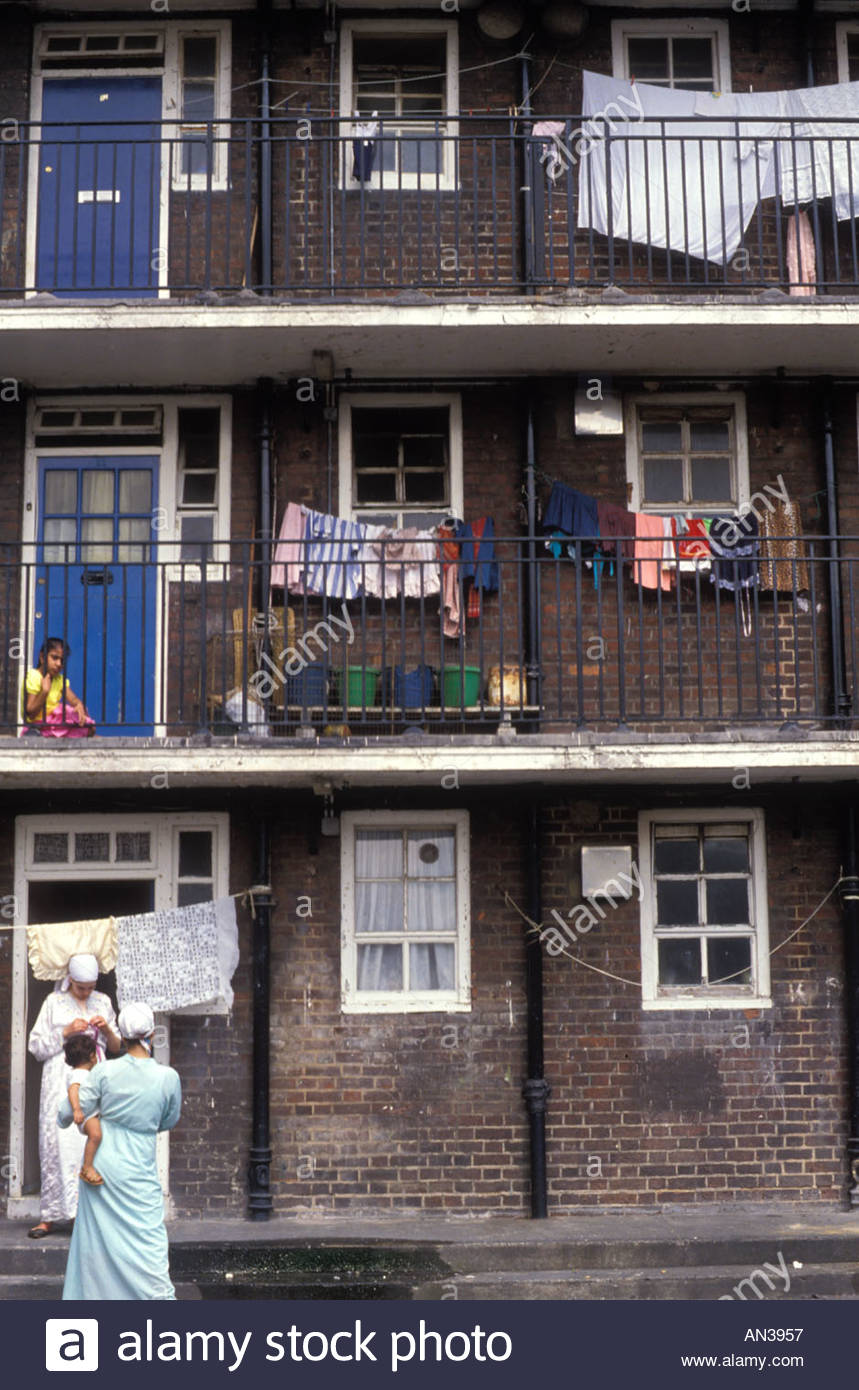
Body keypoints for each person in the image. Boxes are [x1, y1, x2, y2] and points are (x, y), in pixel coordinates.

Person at [58, 1002, 182, 1301]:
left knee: (96, 1243)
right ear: (151, 1034)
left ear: (122, 1038)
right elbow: (169, 1119)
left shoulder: (103, 1072)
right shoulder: (168, 1077)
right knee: (146, 1237)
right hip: (139, 1161)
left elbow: (64, 1115)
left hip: (102, 1165)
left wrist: (84, 1109)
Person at [27, 953, 121, 1238]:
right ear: (70, 980)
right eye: (81, 987)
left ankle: (90, 1216)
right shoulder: (53, 1003)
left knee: (93, 1140)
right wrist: (65, 1033)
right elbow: (35, 1047)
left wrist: (105, 1028)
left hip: (94, 1076)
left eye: (91, 986)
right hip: (60, 1079)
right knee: (58, 1141)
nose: (87, 992)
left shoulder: (103, 1002)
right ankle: (51, 1216)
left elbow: (116, 1046)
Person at [23, 637, 95, 737]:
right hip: (38, 723)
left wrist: (78, 705)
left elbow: (73, 699)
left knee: (89, 727)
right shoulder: (34, 676)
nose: (59, 664)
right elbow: (30, 713)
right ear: (42, 657)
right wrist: (44, 692)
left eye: (62, 660)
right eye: (55, 658)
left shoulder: (59, 679)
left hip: (55, 720)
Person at [64, 1034, 103, 1187]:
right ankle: (87, 1167)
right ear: (93, 1056)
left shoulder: (84, 1073)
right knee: (96, 1135)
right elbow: (73, 1090)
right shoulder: (78, 1074)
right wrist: (77, 1110)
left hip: (92, 1113)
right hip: (87, 1116)